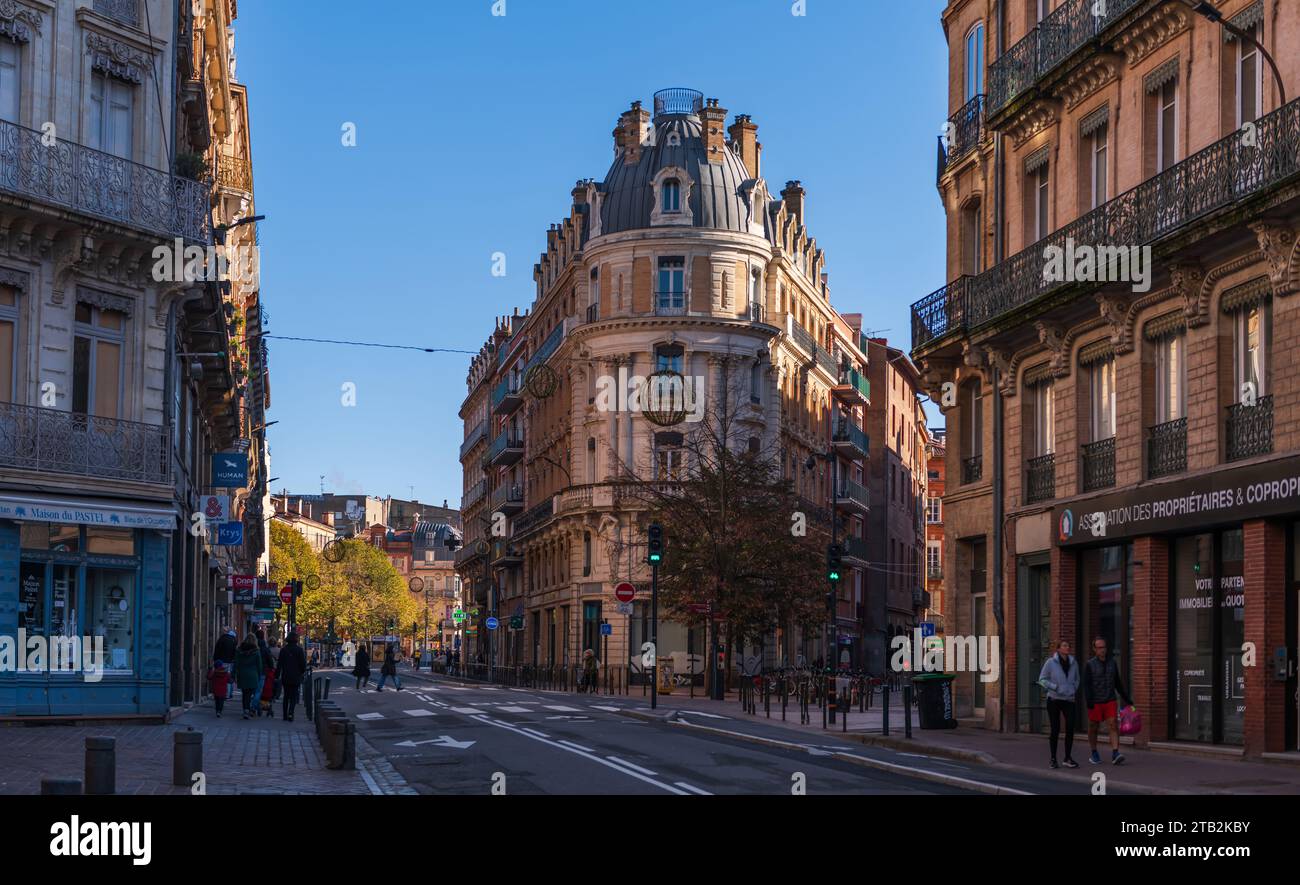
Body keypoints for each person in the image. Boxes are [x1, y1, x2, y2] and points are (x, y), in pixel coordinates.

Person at [1084, 636, 1134, 765]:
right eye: (1099, 648)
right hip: (1095, 701)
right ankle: (1094, 753)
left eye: (1104, 647)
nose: (1102, 650)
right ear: (1094, 649)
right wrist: (1089, 700)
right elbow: (1087, 684)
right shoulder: (1090, 664)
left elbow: (1117, 682)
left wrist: (1126, 698)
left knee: (1113, 724)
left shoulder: (1112, 663)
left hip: (1110, 699)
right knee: (1093, 727)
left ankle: (1115, 752)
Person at [1038, 639, 1080, 769]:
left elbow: (1077, 678)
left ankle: (1068, 758)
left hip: (1068, 699)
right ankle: (1053, 758)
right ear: (1058, 649)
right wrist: (1055, 687)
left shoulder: (1073, 662)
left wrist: (1073, 689)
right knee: (1055, 729)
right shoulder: (1050, 663)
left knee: (1070, 727)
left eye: (1068, 645)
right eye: (1064, 645)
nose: (1067, 647)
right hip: (1054, 700)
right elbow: (1042, 680)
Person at [276, 632, 309, 721]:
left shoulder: (283, 650)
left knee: (286, 695)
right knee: (294, 696)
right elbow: (303, 664)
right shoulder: (299, 650)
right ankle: (291, 712)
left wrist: (277, 675)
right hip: (296, 676)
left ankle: (284, 715)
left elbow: (279, 664)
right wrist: (302, 672)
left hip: (286, 675)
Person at [235, 634, 263, 719]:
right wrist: (259, 674)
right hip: (252, 674)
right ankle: (248, 709)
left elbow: (237, 663)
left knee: (245, 694)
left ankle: (245, 710)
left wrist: (236, 673)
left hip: (242, 674)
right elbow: (259, 665)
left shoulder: (239, 650)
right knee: (250, 693)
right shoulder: (256, 651)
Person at [213, 628, 238, 699]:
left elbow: (217, 650)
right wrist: (233, 660)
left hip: (221, 662)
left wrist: (215, 660)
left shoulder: (221, 639)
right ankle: (228, 694)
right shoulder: (233, 640)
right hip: (229, 662)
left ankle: (220, 693)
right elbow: (234, 652)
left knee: (220, 678)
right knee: (228, 677)